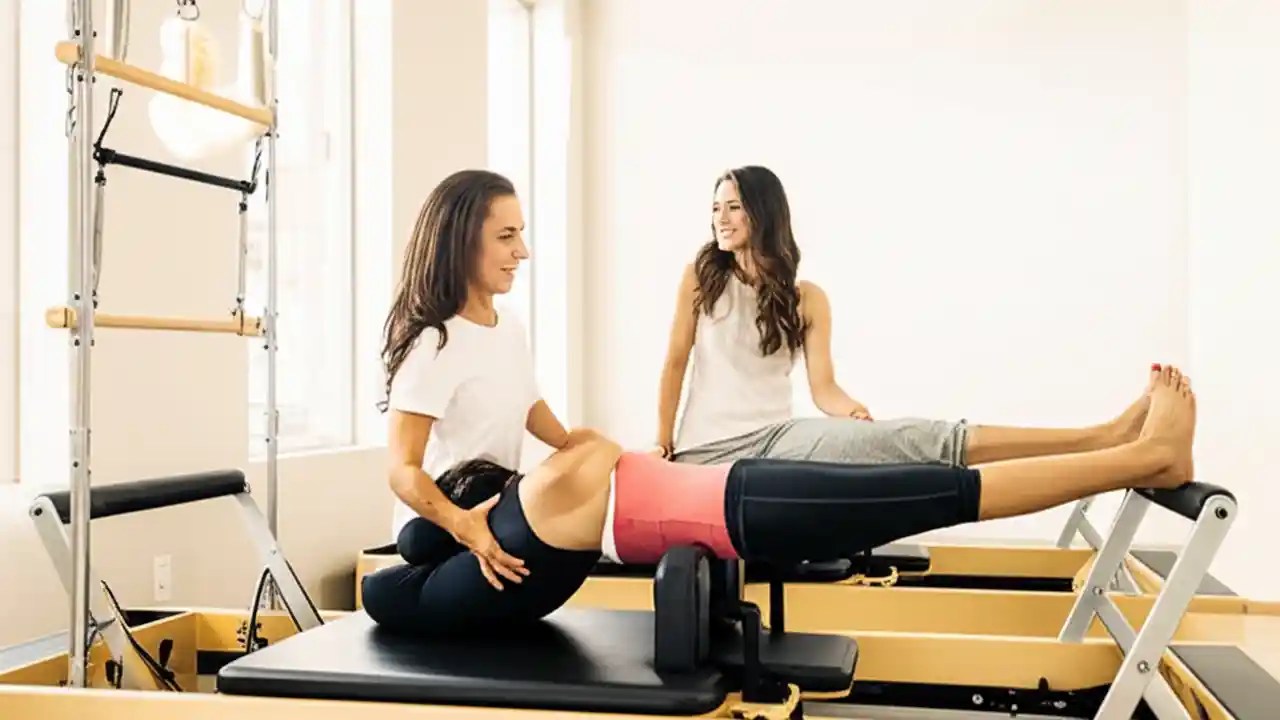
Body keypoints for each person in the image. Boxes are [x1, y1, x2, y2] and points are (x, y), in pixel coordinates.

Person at [360, 365, 1198, 635]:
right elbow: (599, 446)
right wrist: (447, 529)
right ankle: (1143, 457)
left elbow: (396, 577)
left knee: (940, 487)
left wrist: (435, 535)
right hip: (745, 504)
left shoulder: (532, 522)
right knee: (947, 492)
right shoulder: (538, 495)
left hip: (744, 498)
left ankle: (1119, 446)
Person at [653, 165, 1154, 470]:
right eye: (715, 206)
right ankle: (1100, 441)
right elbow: (675, 363)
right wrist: (663, 443)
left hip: (777, 443)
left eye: (733, 206)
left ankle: (1101, 440)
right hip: (710, 451)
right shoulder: (702, 279)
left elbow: (824, 388)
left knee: (899, 442)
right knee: (898, 449)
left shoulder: (808, 299)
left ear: (762, 214)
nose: (720, 217)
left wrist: (851, 411)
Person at [380, 169, 573, 587]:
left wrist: (584, 452)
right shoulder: (434, 341)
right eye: (506, 237)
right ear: (462, 241)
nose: (522, 251)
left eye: (520, 234)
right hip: (442, 526)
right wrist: (464, 526)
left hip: (493, 501)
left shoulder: (511, 328)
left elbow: (529, 406)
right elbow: (401, 470)